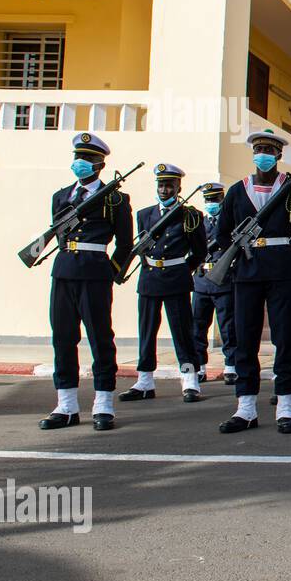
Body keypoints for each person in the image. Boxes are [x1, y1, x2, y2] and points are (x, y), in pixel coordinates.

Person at [215, 130, 291, 435]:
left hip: (281, 272)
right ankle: (245, 407)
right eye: (259, 148)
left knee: (285, 337)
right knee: (245, 338)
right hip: (247, 272)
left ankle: (286, 404)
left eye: (269, 150)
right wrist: (236, 253)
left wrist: (290, 255)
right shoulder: (237, 190)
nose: (263, 154)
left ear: (279, 156)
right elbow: (222, 234)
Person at [38, 132, 133, 432]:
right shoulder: (61, 196)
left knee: (100, 337)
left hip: (95, 273)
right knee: (63, 337)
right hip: (64, 270)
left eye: (87, 159)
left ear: (100, 164)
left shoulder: (115, 198)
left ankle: (103, 403)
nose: (80, 163)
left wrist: (112, 272)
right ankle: (66, 405)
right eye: (77, 157)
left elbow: (125, 244)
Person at [120, 163, 208, 404]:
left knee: (182, 332)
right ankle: (145, 380)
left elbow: (200, 251)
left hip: (175, 279)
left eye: (169, 185)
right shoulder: (144, 214)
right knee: (147, 331)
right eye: (161, 185)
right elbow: (140, 248)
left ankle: (189, 378)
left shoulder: (190, 215)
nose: (164, 190)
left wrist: (181, 268)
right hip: (149, 278)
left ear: (179, 187)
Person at [192, 182, 237, 387]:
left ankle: (231, 365)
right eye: (208, 199)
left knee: (228, 325)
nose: (211, 203)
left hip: (223, 278)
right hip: (201, 279)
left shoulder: (230, 222)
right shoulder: (198, 223)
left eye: (215, 199)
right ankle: (199, 366)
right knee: (198, 325)